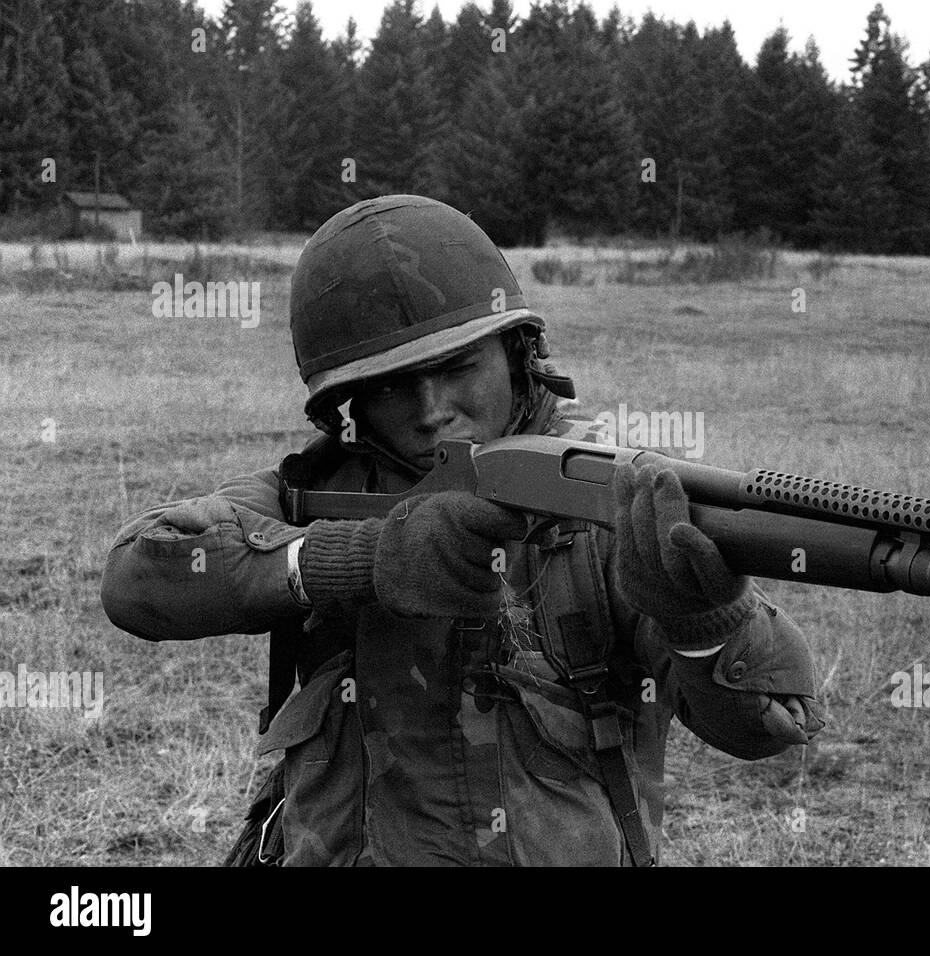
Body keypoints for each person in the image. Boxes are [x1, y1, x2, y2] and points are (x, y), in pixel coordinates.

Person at [100, 194, 826, 866]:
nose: (430, 409)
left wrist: (704, 618)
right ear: (345, 404)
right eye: (390, 386)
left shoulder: (603, 510)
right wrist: (367, 558)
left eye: (456, 367)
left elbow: (767, 727)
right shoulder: (314, 493)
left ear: (517, 354)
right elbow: (136, 581)